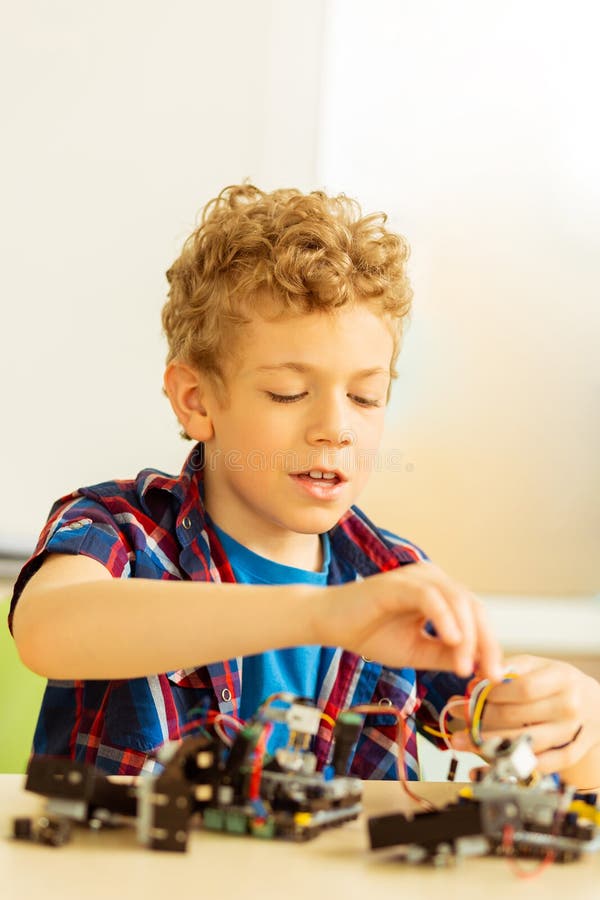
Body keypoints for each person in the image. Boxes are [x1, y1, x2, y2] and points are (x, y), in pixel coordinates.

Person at [8, 185, 600, 787]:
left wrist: (572, 723)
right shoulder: (120, 527)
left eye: (365, 397)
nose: (335, 428)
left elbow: (564, 775)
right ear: (197, 401)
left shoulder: (395, 576)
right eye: (289, 393)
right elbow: (48, 630)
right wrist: (320, 615)